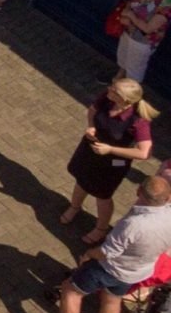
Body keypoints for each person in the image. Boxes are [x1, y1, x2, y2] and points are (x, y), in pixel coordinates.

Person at [41, 175, 171, 313]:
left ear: (138, 191)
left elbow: (107, 252)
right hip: (136, 272)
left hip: (108, 269)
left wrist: (89, 254)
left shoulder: (133, 225)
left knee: (70, 291)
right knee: (112, 300)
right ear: (168, 198)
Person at [62, 78, 157, 244]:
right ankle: (74, 207)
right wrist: (91, 126)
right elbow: (92, 110)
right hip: (90, 151)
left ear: (125, 100)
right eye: (112, 87)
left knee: (102, 195)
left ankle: (101, 228)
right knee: (81, 181)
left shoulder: (139, 121)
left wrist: (110, 149)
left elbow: (144, 153)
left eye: (114, 90)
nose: (109, 90)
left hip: (114, 163)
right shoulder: (107, 98)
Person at [112, 0, 171, 83]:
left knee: (134, 69)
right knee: (123, 56)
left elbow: (148, 28)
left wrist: (131, 16)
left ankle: (128, 91)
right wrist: (125, 15)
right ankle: (118, 77)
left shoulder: (167, 6)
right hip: (128, 31)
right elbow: (132, 2)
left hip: (142, 41)